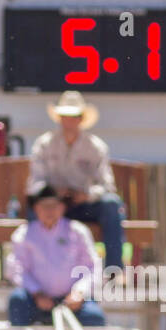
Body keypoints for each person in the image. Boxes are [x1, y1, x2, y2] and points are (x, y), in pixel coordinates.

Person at [26, 90, 125, 276]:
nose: (68, 121)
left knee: (112, 205)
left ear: (81, 119)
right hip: (52, 206)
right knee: (34, 208)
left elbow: (106, 186)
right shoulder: (44, 144)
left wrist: (86, 195)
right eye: (65, 116)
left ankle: (113, 271)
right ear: (59, 118)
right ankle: (34, 269)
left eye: (73, 116)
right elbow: (35, 184)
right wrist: (53, 194)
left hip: (84, 206)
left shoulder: (95, 147)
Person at [6, 185, 109, 328]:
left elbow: (92, 267)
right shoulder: (23, 234)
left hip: (73, 301)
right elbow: (17, 268)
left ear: (62, 208)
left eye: (53, 206)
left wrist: (79, 292)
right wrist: (37, 293)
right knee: (18, 301)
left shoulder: (78, 231)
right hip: (36, 301)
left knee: (94, 317)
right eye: (44, 206)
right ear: (36, 209)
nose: (49, 211)